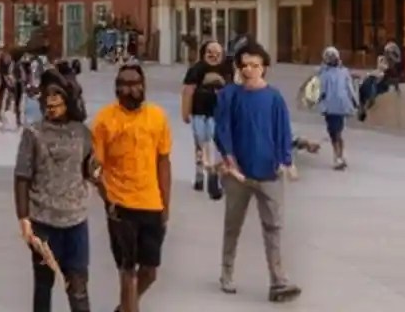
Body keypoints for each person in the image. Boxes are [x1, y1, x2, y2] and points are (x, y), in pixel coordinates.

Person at [215, 41, 301, 302]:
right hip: (238, 174)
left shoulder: (274, 98)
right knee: (233, 225)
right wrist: (230, 160)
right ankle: (227, 272)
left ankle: (278, 281)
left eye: (255, 65)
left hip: (269, 172)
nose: (249, 70)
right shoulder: (230, 95)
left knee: (273, 227)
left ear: (264, 68)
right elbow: (222, 129)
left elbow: (283, 131)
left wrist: (286, 161)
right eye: (245, 65)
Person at [15, 70, 97, 312]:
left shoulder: (82, 133)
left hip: (75, 222)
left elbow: (90, 170)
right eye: (46, 96)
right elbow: (22, 177)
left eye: (56, 95)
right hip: (43, 222)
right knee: (43, 284)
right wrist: (24, 219)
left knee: (78, 286)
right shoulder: (33, 133)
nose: (50, 101)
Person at [92, 62, 171, 312]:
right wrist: (107, 199)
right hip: (120, 205)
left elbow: (163, 161)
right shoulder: (105, 120)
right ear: (116, 88)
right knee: (127, 270)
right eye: (124, 84)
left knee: (150, 271)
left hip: (151, 203)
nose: (130, 89)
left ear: (143, 86)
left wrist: (166, 204)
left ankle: (123, 308)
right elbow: (95, 168)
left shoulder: (157, 117)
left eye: (135, 83)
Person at [182, 40, 230, 198]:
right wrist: (185, 111)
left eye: (217, 53)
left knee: (215, 144)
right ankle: (199, 175)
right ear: (203, 53)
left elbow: (232, 93)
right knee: (200, 143)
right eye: (210, 52)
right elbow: (188, 91)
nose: (213, 56)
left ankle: (213, 173)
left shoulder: (226, 70)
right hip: (199, 113)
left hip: (218, 115)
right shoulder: (196, 69)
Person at [316, 47, 358, 171]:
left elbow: (349, 88)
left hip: (340, 107)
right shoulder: (323, 73)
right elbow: (320, 90)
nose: (331, 59)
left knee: (337, 132)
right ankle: (339, 156)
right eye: (329, 57)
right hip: (329, 107)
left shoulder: (343, 72)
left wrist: (354, 102)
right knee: (333, 132)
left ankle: (339, 156)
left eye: (333, 56)